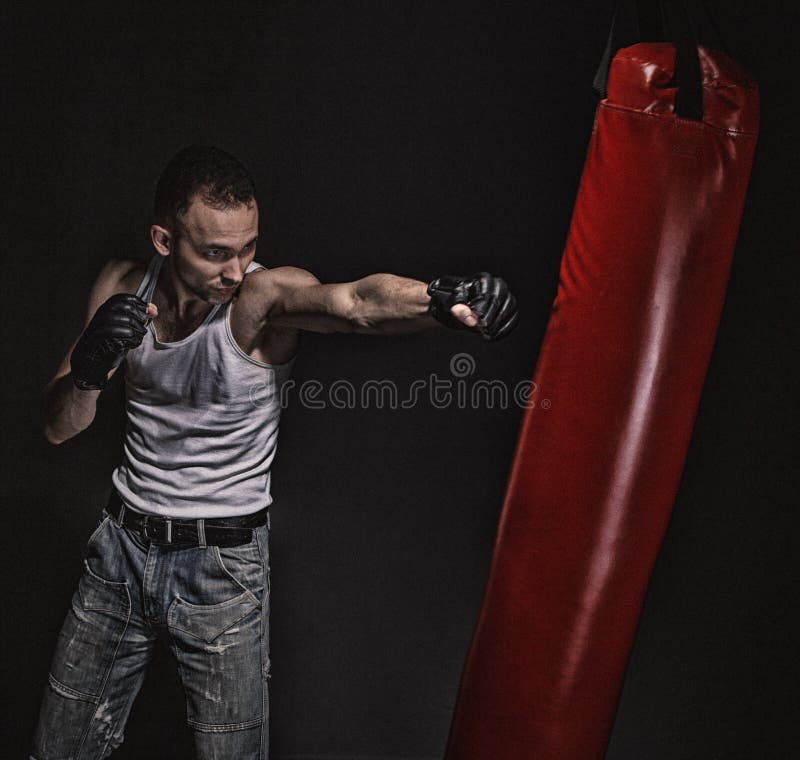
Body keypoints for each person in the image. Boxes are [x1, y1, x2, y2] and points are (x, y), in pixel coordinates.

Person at [32, 144, 519, 760]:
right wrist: (91, 370)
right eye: (214, 253)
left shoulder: (259, 302)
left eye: (247, 247)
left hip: (221, 568)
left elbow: (356, 306)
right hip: (118, 555)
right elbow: (57, 428)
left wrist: (443, 299)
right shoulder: (121, 286)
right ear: (163, 239)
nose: (236, 270)